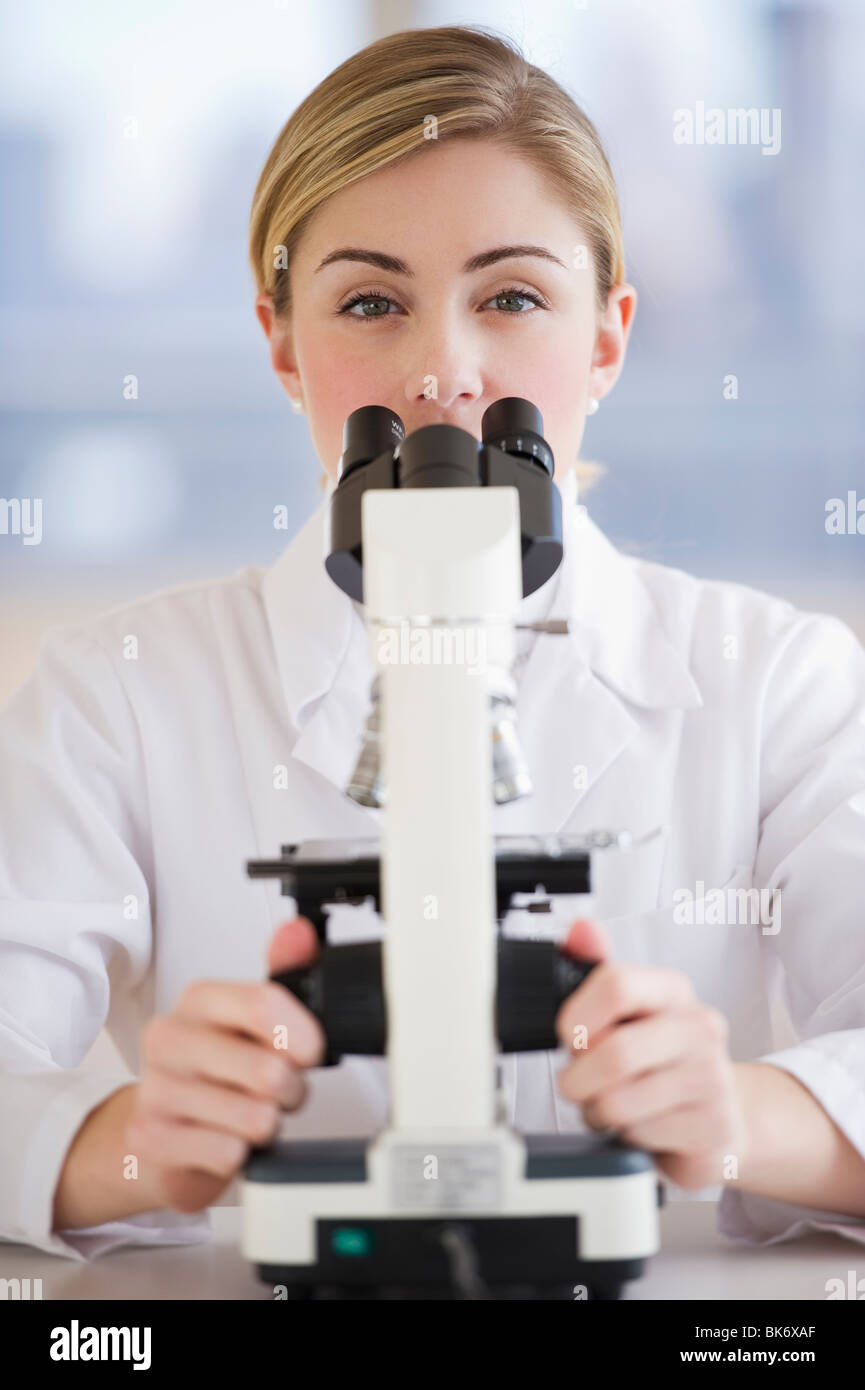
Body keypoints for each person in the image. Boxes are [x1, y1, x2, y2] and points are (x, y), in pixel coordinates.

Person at [1, 24, 864, 1265]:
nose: (443, 375)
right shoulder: (116, 698)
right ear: (284, 343)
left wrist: (735, 1117)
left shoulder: (778, 682)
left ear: (609, 335)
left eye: (511, 298)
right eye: (371, 303)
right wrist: (131, 1143)